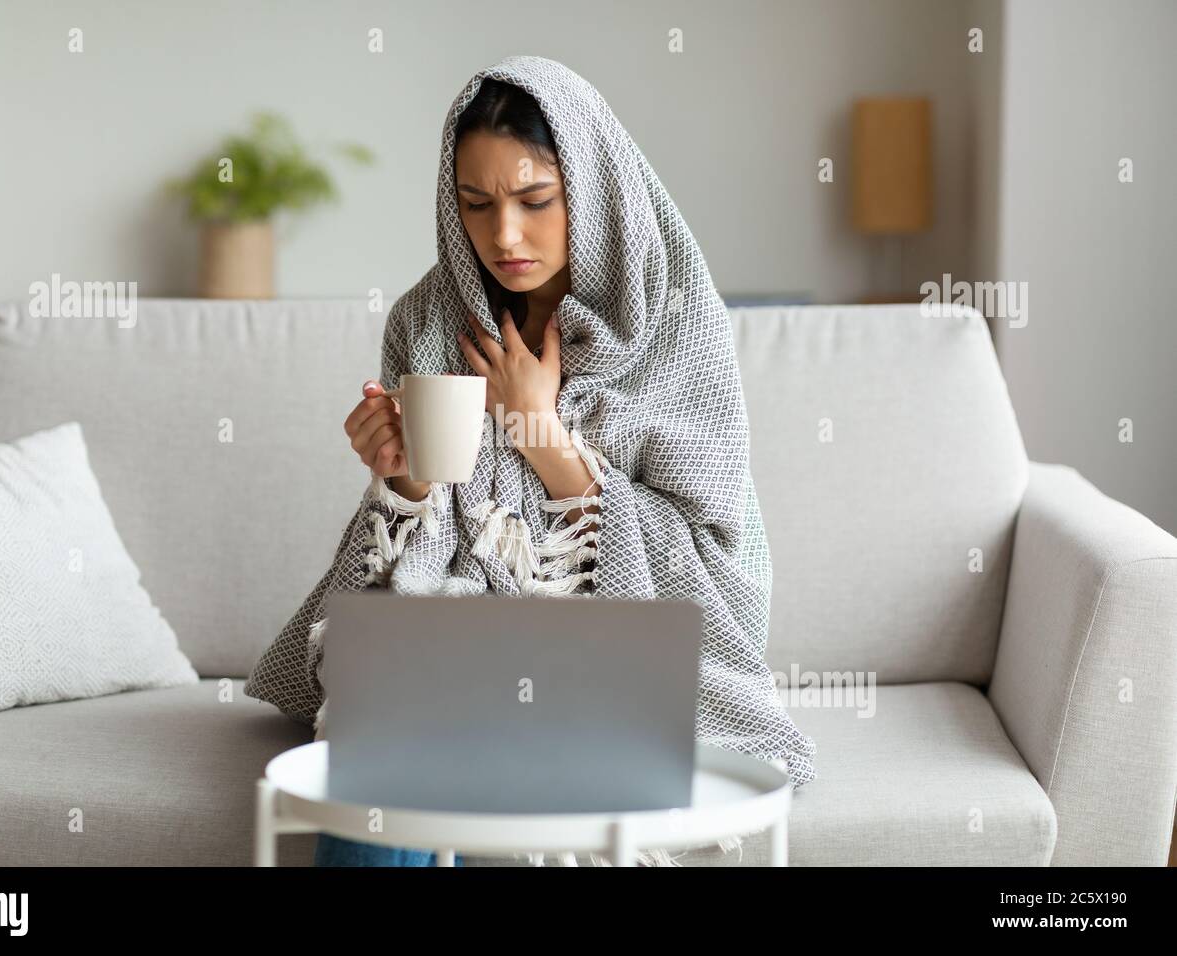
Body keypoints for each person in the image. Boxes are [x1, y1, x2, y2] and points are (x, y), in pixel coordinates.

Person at [249, 56, 818, 869]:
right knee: (387, 721)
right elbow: (405, 559)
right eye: (475, 205)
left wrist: (538, 432)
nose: (503, 236)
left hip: (618, 647)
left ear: (594, 188)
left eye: (535, 201)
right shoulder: (430, 317)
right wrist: (403, 477)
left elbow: (713, 561)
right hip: (456, 636)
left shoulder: (678, 322)